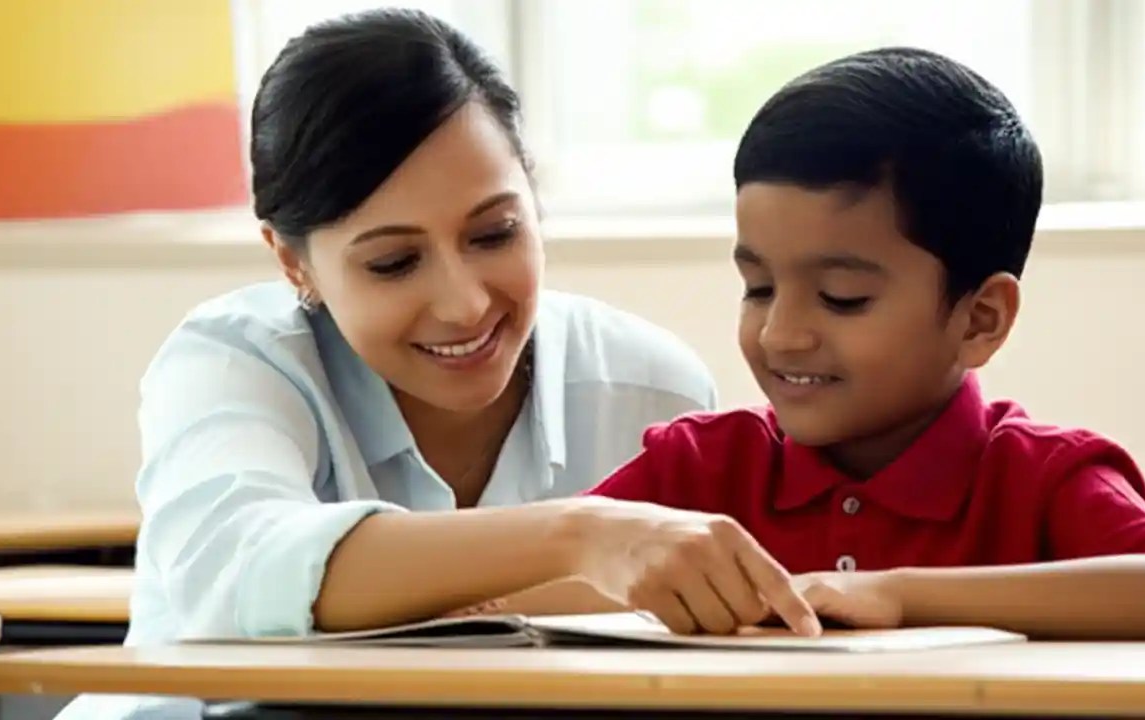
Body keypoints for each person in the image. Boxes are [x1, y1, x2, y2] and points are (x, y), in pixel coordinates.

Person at [56, 9, 821, 720]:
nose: (462, 304)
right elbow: (242, 577)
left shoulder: (648, 386)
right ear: (294, 263)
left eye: (495, 234)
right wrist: (582, 534)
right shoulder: (234, 363)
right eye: (394, 262)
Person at [525, 47, 1145, 639]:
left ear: (980, 319)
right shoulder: (701, 471)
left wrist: (899, 594)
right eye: (759, 288)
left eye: (843, 298)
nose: (781, 333)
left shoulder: (1037, 478)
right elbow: (502, 595)